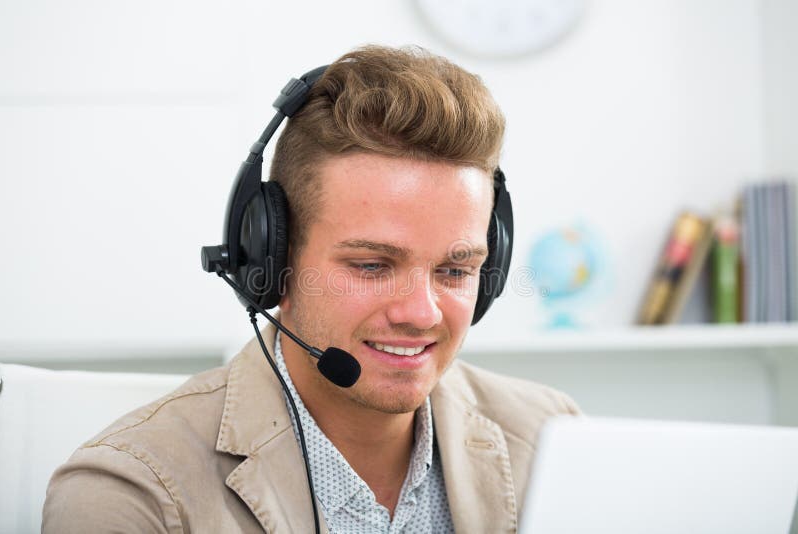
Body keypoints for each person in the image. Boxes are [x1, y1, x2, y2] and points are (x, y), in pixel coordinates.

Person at [43, 45, 580, 533]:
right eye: (372, 266)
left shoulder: (555, 442)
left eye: (455, 271)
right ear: (271, 263)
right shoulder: (132, 493)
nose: (421, 313)